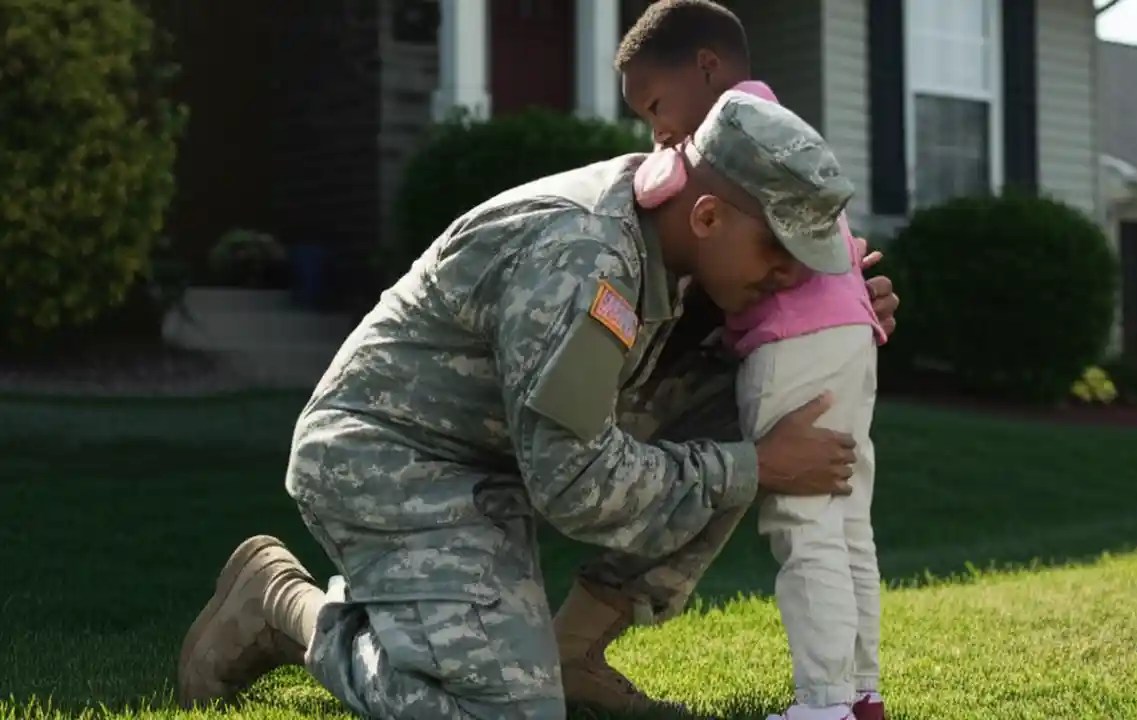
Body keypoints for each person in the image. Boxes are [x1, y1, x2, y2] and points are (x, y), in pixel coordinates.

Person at [175, 89, 899, 719]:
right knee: (504, 715)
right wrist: (753, 468)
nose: (788, 275)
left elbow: (645, 398)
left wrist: (827, 321)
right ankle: (286, 608)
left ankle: (572, 655)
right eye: (780, 253)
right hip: (394, 459)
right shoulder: (582, 259)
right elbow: (577, 489)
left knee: (755, 396)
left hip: (500, 450)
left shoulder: (674, 231)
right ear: (708, 217)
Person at [618, 3, 889, 719]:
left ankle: (825, 704)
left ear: (705, 67)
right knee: (846, 521)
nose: (658, 130)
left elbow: (649, 189)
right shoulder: (783, 127)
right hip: (849, 338)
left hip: (790, 341)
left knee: (802, 525)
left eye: (655, 105)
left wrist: (654, 164)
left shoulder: (729, 130)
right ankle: (862, 693)